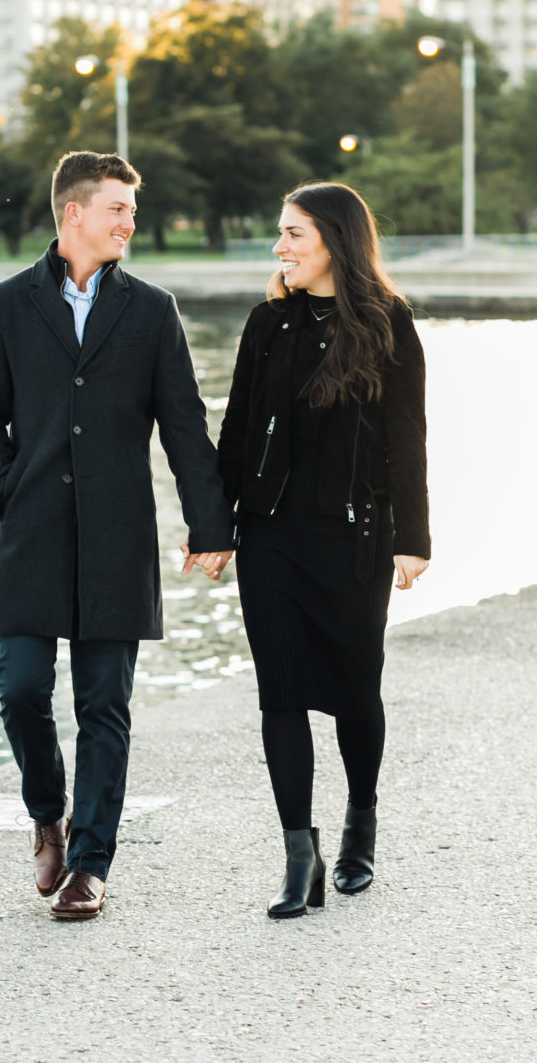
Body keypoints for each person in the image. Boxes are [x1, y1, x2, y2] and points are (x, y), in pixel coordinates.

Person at [0, 150, 233, 920]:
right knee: (17, 687)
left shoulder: (150, 310)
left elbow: (183, 424)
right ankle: (48, 814)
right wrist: (5, 485)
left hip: (118, 537)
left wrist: (210, 525)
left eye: (132, 212)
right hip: (29, 530)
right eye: (117, 209)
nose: (129, 223)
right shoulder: (4, 305)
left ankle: (89, 865)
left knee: (103, 705)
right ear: (73, 213)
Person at [211, 181, 430, 919]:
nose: (279, 247)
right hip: (269, 537)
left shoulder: (388, 323)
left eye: (293, 233)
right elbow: (237, 431)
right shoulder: (267, 323)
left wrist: (412, 538)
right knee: (279, 694)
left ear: (335, 240)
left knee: (355, 692)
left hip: (352, 539)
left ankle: (359, 825)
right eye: (280, 233)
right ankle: (297, 856)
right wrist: (212, 526)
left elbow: (406, 438)